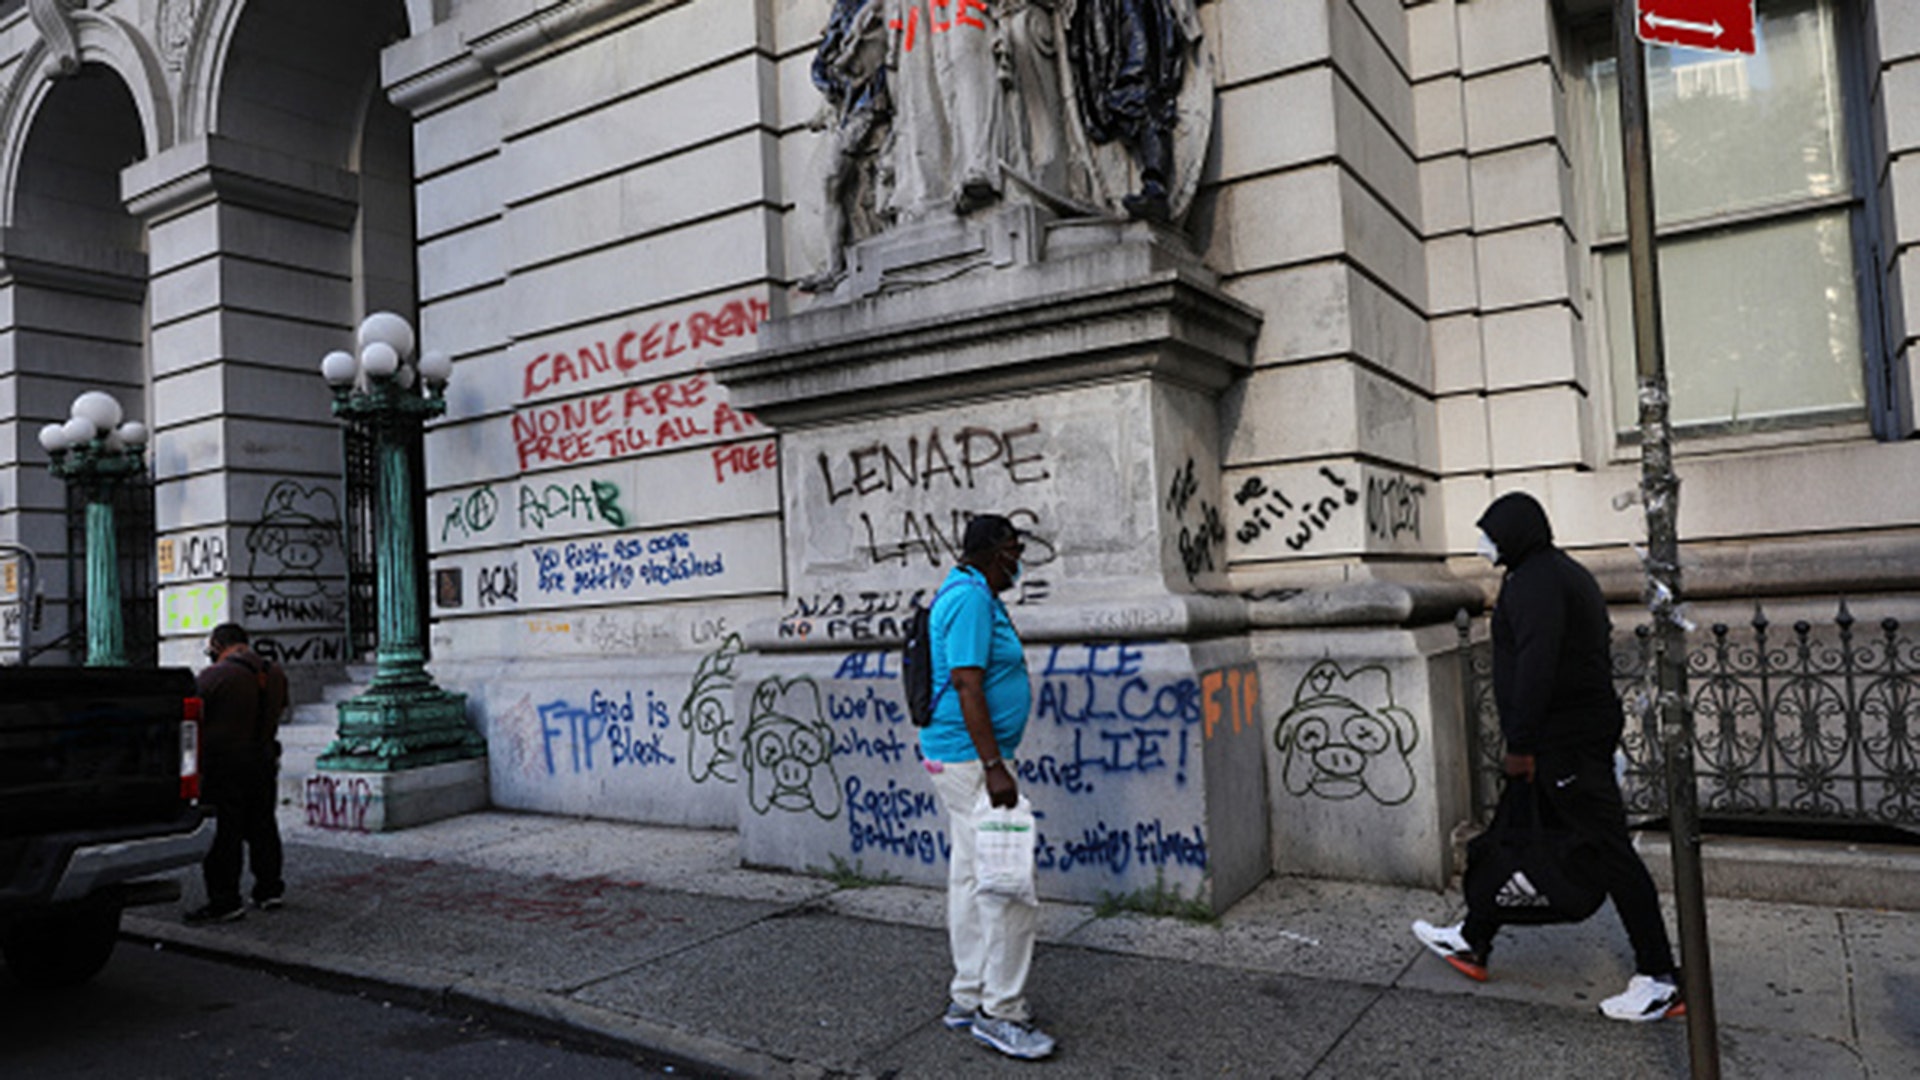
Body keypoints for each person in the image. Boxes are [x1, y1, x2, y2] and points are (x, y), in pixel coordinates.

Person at [1413, 491, 1684, 1022]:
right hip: (1563, 741)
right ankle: (1473, 937)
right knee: (1508, 834)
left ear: (1516, 533)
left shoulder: (1536, 582)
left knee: (1610, 852)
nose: (1482, 543)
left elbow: (1538, 665)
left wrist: (1521, 744)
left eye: (1489, 533)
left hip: (1561, 746)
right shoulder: (1552, 573)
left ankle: (1660, 977)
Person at [919, 514, 1055, 1060]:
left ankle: (967, 994)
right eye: (1014, 549)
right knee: (1008, 883)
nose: (1018, 560)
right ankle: (1001, 1013)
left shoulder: (966, 591)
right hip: (974, 762)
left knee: (971, 873)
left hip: (958, 758)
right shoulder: (973, 598)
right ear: (992, 551)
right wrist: (995, 764)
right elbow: (967, 684)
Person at [186, 623, 288, 923]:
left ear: (217, 645)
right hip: (264, 760)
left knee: (224, 836)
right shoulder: (275, 673)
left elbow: (193, 714)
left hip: (224, 765)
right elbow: (281, 709)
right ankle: (269, 890)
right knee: (263, 827)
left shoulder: (215, 676)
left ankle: (225, 901)